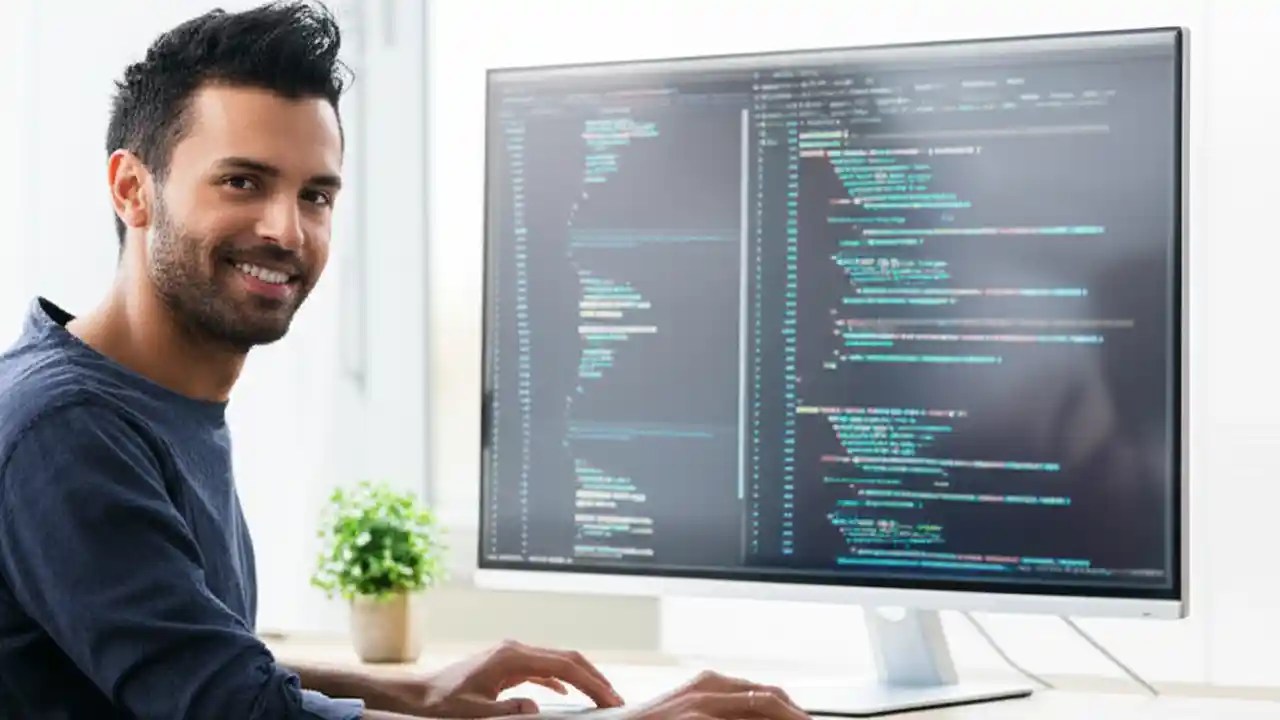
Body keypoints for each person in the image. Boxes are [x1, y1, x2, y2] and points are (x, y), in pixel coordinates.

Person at [0, 2, 811, 719]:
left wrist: (405, 689)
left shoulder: (145, 401)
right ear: (132, 190)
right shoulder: (69, 431)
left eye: (316, 194)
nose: (288, 229)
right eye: (242, 182)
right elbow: (229, 707)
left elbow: (189, 657)